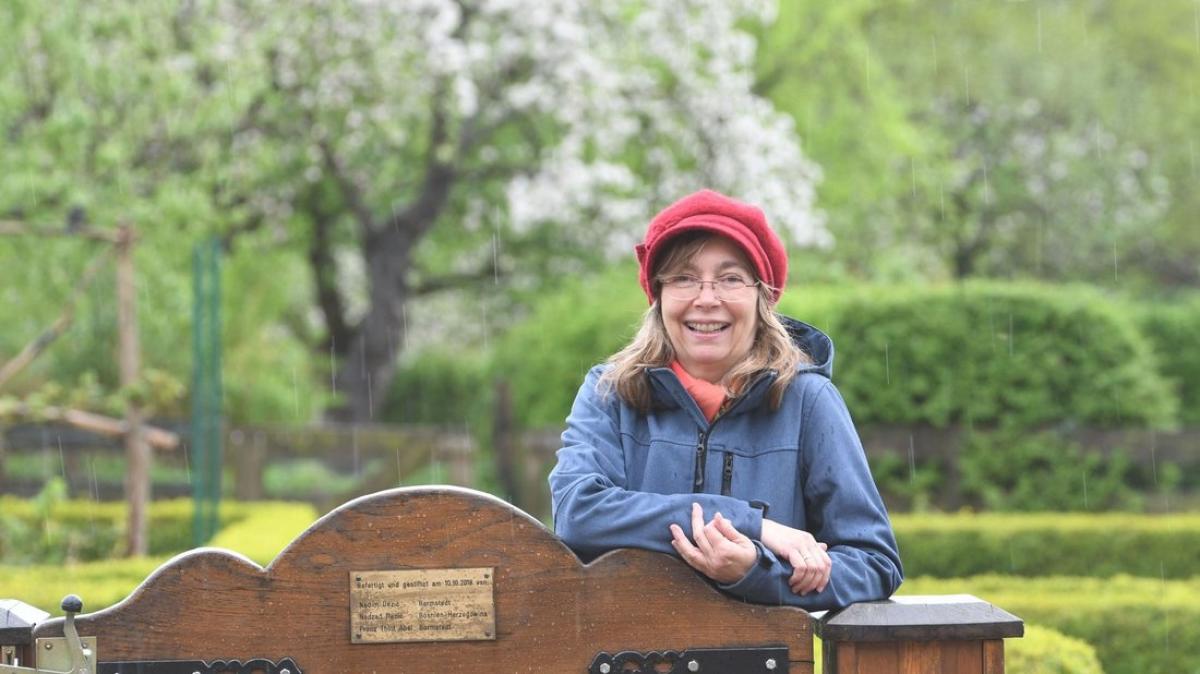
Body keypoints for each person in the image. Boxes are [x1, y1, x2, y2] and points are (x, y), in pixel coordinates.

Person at [548, 189, 902, 610]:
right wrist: (751, 524)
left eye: (730, 278)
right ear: (658, 296)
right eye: (683, 278)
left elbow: (874, 564)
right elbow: (577, 514)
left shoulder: (809, 401)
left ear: (762, 296)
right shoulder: (609, 392)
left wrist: (757, 571)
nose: (707, 299)